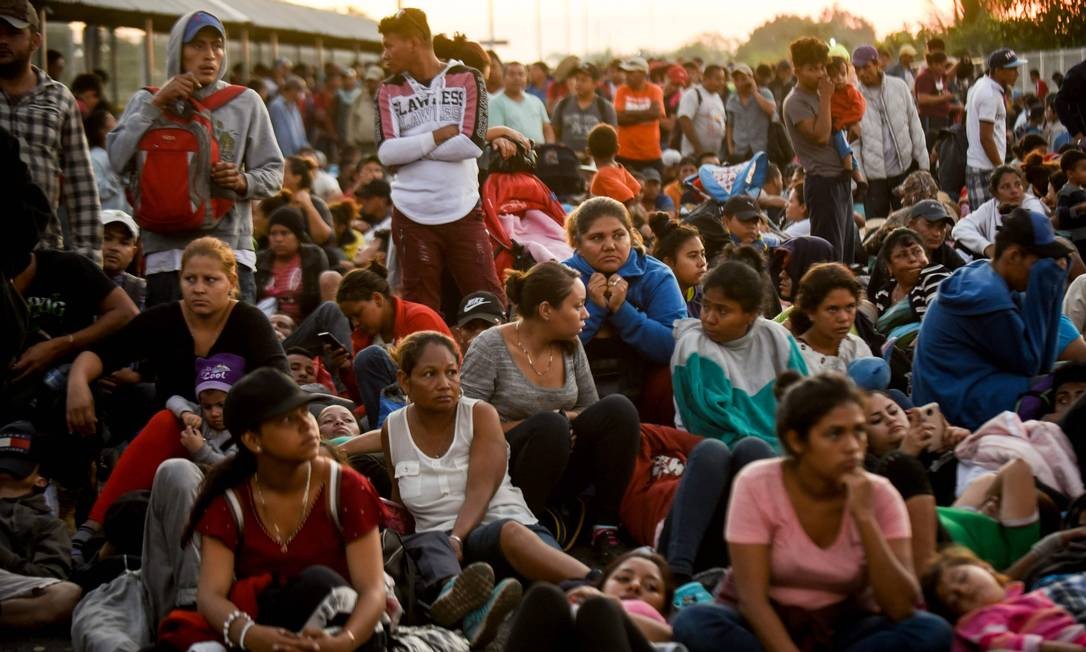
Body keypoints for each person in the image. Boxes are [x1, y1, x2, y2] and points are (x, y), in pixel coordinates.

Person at [672, 374, 954, 652]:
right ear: (796, 441)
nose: (852, 446)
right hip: (766, 623)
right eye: (834, 434)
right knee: (694, 622)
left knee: (930, 631)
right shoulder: (757, 483)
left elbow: (901, 607)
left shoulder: (879, 492)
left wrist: (865, 518)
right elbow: (753, 601)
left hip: (846, 627)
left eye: (858, 431)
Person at [381, 332, 591, 646]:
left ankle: (600, 586)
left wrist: (457, 537)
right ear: (404, 381)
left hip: (498, 529)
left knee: (513, 535)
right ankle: (465, 605)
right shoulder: (393, 429)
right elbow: (400, 505)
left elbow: (482, 488)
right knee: (427, 543)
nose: (445, 383)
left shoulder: (479, 413)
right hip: (441, 552)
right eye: (429, 374)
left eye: (452, 372)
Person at [184, 367, 387, 651]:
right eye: (288, 419)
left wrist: (344, 641)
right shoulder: (231, 500)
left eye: (304, 412)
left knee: (320, 582)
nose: (307, 424)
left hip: (347, 626)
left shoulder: (346, 487)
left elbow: (372, 589)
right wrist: (249, 634)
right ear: (253, 440)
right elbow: (211, 596)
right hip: (268, 628)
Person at [460, 262, 641, 564]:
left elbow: (589, 408)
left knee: (619, 409)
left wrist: (563, 418)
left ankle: (604, 527)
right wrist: (542, 423)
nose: (586, 314)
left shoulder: (571, 344)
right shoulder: (490, 346)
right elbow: (464, 424)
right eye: (578, 306)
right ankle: (528, 526)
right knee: (549, 426)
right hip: (506, 467)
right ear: (546, 310)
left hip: (562, 456)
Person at [108, 10, 284, 306]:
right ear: (178, 50)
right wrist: (157, 105)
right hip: (166, 257)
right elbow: (116, 159)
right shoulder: (147, 100)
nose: (209, 55)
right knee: (170, 337)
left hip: (228, 253)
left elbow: (274, 173)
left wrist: (243, 181)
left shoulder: (245, 102)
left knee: (233, 338)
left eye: (217, 45)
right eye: (197, 45)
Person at [66, 237, 288, 438]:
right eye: (190, 279)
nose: (198, 289)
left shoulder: (249, 321)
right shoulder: (163, 319)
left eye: (210, 280)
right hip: (172, 428)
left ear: (230, 282)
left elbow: (280, 380)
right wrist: (77, 383)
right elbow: (101, 353)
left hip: (235, 433)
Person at [375, 8, 506, 312]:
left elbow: (472, 144)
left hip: (463, 209)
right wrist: (437, 136)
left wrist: (411, 150)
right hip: (411, 214)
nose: (384, 55)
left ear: (414, 41)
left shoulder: (468, 78)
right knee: (421, 309)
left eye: (389, 45)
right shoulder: (388, 89)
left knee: (488, 300)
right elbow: (386, 153)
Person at [912, 209, 1076, 430]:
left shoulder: (986, 273)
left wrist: (1053, 287)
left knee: (1069, 377)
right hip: (954, 405)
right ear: (1013, 256)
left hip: (965, 388)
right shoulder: (988, 298)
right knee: (1061, 390)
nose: (1041, 270)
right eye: (1038, 263)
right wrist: (1045, 288)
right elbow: (1034, 366)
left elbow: (1043, 359)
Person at [77, 352, 242, 550]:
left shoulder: (240, 433)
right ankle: (95, 531)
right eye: (207, 407)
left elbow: (231, 469)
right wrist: (185, 413)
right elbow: (174, 400)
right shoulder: (199, 415)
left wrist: (201, 451)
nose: (214, 413)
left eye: (221, 405)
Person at [0, 0, 101, 262]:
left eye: (13, 33)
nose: (2, 41)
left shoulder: (59, 98)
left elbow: (81, 182)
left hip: (43, 249)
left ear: (35, 40)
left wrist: (89, 258)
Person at [671, 258, 808, 450]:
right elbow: (713, 426)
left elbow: (803, 400)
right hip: (724, 451)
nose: (709, 318)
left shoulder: (775, 337)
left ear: (751, 314)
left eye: (722, 311)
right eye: (706, 306)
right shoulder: (694, 349)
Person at [563, 197, 687, 398]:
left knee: (674, 376)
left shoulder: (656, 275)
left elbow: (674, 347)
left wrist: (622, 311)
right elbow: (548, 350)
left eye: (619, 235)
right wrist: (595, 308)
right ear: (577, 242)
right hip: (573, 393)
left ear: (630, 236)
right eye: (597, 238)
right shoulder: (562, 277)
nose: (610, 245)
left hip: (644, 388)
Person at [334, 266, 451, 424]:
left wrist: (359, 413)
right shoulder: (363, 337)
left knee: (369, 357)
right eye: (350, 318)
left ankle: (388, 431)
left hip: (434, 404)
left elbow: (435, 376)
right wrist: (347, 370)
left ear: (377, 299)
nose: (355, 323)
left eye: (358, 314)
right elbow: (364, 398)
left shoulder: (419, 318)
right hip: (390, 412)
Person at [503, 550, 677, 650]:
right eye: (623, 578)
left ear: (665, 609)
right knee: (545, 595)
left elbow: (669, 635)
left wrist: (609, 605)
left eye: (651, 587)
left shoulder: (668, 630)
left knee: (599, 609)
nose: (635, 585)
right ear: (601, 585)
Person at [921, 546, 1086, 650]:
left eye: (963, 578)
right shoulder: (980, 619)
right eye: (955, 600)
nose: (964, 591)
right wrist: (1053, 648)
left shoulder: (1027, 597)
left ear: (985, 567)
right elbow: (1000, 643)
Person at [0, 422, 82, 631]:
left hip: (7, 581)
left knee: (65, 595)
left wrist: (4, 556)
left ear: (41, 480)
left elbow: (50, 576)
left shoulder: (49, 525)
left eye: (15, 462)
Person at [783, 37, 856, 263]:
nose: (820, 73)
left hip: (841, 180)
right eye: (812, 69)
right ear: (797, 71)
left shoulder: (824, 92)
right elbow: (822, 136)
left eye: (822, 67)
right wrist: (826, 97)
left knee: (846, 252)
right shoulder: (795, 102)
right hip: (823, 184)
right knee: (830, 256)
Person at [853, 45, 930, 221]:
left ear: (876, 64)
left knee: (908, 221)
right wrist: (860, 180)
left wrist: (923, 164)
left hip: (904, 169)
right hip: (874, 177)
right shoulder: (854, 97)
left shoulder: (899, 87)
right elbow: (854, 144)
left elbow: (914, 125)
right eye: (857, 69)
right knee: (875, 225)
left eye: (866, 67)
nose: (862, 73)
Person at [965, 48, 1028, 210]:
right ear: (998, 70)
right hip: (985, 169)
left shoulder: (982, 85)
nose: (1017, 73)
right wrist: (1002, 169)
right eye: (1012, 69)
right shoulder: (989, 94)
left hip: (983, 166)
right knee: (987, 221)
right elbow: (986, 138)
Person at [789, 262, 874, 374]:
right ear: (811, 312)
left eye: (850, 307)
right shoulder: (795, 357)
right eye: (832, 309)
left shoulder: (856, 347)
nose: (844, 318)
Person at [872, 229, 950, 344]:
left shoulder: (933, 274)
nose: (912, 259)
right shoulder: (883, 293)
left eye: (917, 252)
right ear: (889, 266)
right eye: (902, 255)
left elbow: (939, 318)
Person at [952, 165, 1048, 259]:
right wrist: (986, 247)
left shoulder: (1031, 203)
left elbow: (1037, 227)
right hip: (999, 262)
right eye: (1006, 187)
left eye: (1017, 184)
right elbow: (959, 228)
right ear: (995, 193)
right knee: (961, 245)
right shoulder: (990, 206)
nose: (1014, 190)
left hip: (1026, 259)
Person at [255, 206, 330, 325]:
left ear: (298, 236)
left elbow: (320, 299)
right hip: (265, 324)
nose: (278, 239)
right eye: (273, 234)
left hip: (304, 325)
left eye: (285, 233)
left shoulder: (314, 256)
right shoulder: (259, 260)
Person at [613, 57, 665, 173]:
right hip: (624, 153)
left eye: (631, 73)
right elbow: (619, 119)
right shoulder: (621, 91)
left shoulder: (655, 90)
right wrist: (646, 113)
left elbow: (656, 113)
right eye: (626, 73)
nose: (626, 76)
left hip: (650, 154)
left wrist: (628, 113)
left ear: (643, 73)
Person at [552, 62, 617, 154]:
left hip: (595, 158)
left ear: (595, 83)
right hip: (567, 158)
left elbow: (612, 137)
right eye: (577, 79)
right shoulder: (562, 104)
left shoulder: (605, 107)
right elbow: (554, 131)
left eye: (583, 80)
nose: (578, 83)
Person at [649, 215, 707, 317]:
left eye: (702, 254)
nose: (702, 262)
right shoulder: (654, 302)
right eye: (693, 256)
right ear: (669, 263)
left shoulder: (702, 296)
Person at [489, 61, 553, 145]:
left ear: (526, 78)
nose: (517, 78)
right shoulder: (495, 103)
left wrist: (550, 147)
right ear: (503, 78)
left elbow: (547, 128)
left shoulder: (536, 101)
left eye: (521, 74)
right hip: (512, 152)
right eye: (511, 74)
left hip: (540, 151)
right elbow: (495, 133)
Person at [724, 63, 775, 163]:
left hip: (760, 148)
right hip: (740, 150)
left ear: (751, 78)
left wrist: (754, 92)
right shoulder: (732, 99)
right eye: (736, 80)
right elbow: (730, 125)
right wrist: (731, 149)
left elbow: (771, 110)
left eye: (743, 79)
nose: (739, 83)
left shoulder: (764, 93)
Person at [83, 107, 131, 213]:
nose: (118, 124)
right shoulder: (94, 157)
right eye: (113, 120)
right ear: (102, 131)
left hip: (121, 216)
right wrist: (118, 175)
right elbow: (98, 191)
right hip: (106, 217)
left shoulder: (113, 155)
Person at [282, 155, 334, 246]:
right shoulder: (280, 201)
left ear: (297, 178)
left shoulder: (316, 203)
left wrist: (308, 206)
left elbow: (324, 237)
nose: (278, 174)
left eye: (283, 171)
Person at [677, 64, 727, 158]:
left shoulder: (717, 97)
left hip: (713, 156)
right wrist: (698, 149)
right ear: (705, 78)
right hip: (694, 155)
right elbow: (684, 120)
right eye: (718, 79)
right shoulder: (693, 94)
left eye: (723, 79)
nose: (722, 82)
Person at [100, 210, 147, 310]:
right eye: (107, 238)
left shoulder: (142, 290)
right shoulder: (75, 282)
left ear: (133, 252)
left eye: (124, 243)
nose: (114, 248)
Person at [587, 124, 641, 206]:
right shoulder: (619, 168)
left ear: (589, 152)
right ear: (617, 149)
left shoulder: (602, 175)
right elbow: (636, 190)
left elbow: (627, 197)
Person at [905, 199, 965, 272]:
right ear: (912, 225)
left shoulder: (945, 252)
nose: (937, 234)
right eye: (929, 225)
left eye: (941, 226)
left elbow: (966, 273)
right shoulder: (898, 251)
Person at [915, 51, 956, 148]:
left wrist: (959, 64)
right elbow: (922, 99)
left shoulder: (939, 76)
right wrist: (944, 97)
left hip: (942, 118)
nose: (945, 69)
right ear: (934, 64)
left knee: (941, 147)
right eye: (943, 66)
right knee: (931, 146)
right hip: (930, 119)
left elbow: (949, 74)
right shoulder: (924, 77)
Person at [268, 75, 310, 157]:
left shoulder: (293, 106)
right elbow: (281, 135)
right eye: (300, 90)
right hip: (285, 155)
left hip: (297, 154)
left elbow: (300, 132)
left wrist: (305, 149)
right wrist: (290, 157)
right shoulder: (276, 106)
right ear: (292, 90)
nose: (303, 94)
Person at [1056, 148, 1086, 258]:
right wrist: (1079, 209)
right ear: (1070, 173)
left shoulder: (1081, 190)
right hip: (1078, 241)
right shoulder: (1066, 192)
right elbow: (1061, 215)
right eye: (1084, 170)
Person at [346, 66, 382, 156]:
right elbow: (351, 120)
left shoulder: (386, 99)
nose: (371, 84)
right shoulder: (359, 99)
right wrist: (351, 141)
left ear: (380, 81)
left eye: (373, 81)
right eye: (369, 81)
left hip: (380, 146)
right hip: (361, 146)